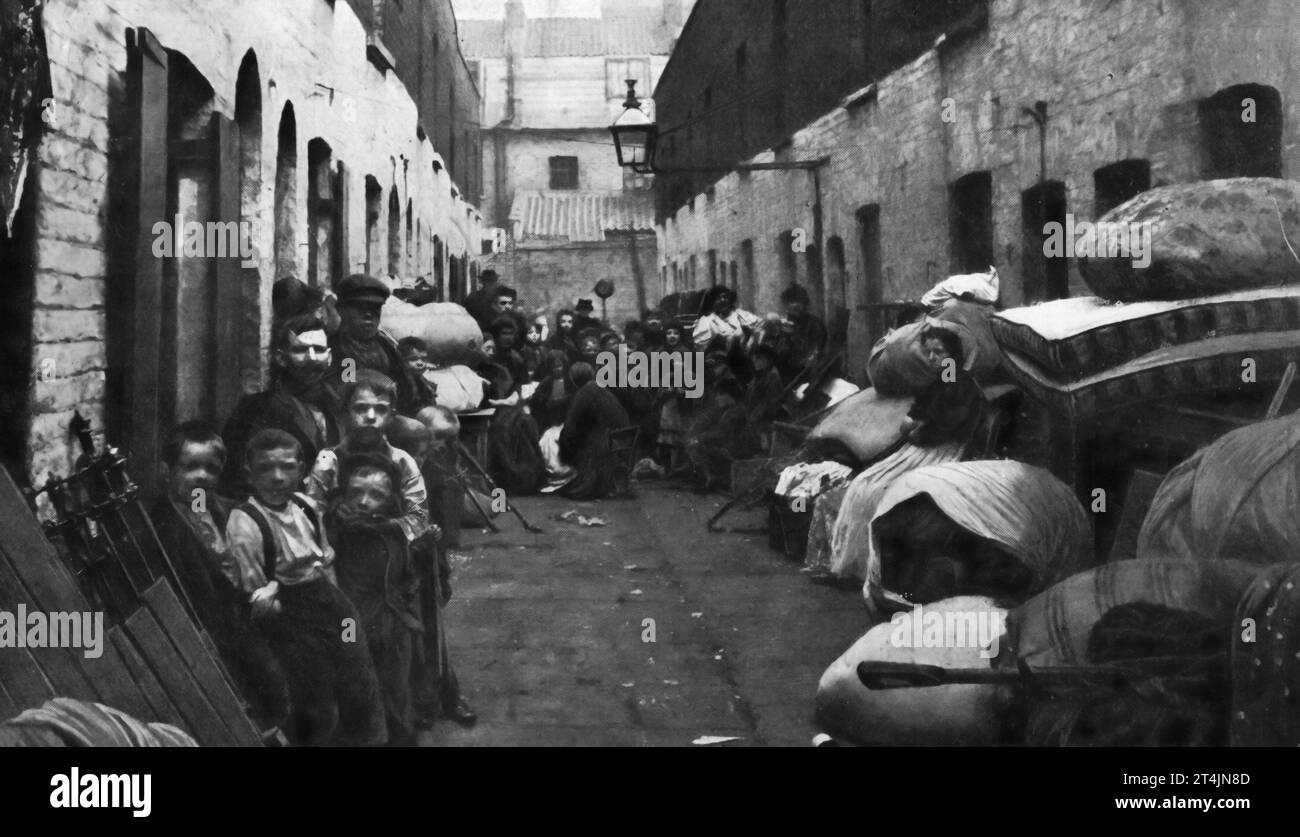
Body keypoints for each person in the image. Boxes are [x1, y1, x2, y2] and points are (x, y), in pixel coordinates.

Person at [224, 428, 386, 746]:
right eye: (266, 468)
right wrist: (290, 623)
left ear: (300, 470)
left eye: (287, 467)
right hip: (287, 610)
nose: (277, 477)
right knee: (316, 693)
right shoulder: (245, 522)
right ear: (249, 473)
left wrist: (342, 610)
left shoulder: (306, 506)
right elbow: (256, 596)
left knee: (357, 671)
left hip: (328, 600)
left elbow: (324, 561)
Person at [151, 422, 288, 731]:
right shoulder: (162, 527)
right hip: (209, 628)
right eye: (190, 467)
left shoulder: (227, 511)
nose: (202, 476)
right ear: (167, 470)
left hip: (248, 614)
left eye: (211, 469)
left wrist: (271, 587)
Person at [325, 453, 426, 746]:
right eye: (356, 493)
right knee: (358, 686)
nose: (364, 501)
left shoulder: (393, 530)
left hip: (391, 621)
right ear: (343, 494)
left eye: (376, 495)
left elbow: (407, 575)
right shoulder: (337, 530)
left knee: (396, 685)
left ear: (389, 499)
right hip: (352, 621)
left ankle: (401, 736)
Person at [395, 410, 477, 726]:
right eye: (433, 443)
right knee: (407, 637)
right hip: (402, 564)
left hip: (429, 561)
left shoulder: (436, 466)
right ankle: (420, 701)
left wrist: (441, 564)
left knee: (433, 630)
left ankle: (446, 694)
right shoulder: (401, 469)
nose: (438, 449)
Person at [222, 315, 340, 500]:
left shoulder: (339, 405)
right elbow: (239, 480)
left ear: (329, 357)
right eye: (300, 350)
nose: (311, 358)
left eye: (318, 349)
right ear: (281, 358)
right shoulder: (256, 408)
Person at [306, 370, 431, 546]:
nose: (371, 417)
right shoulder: (329, 461)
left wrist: (380, 525)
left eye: (381, 409)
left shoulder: (402, 461)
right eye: (360, 408)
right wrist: (334, 515)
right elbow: (312, 514)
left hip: (389, 553)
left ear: (391, 415)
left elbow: (419, 517)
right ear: (344, 413)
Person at [327, 274, 435, 417]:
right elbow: (343, 394)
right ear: (342, 309)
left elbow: (406, 388)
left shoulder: (385, 345)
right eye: (360, 307)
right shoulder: (336, 347)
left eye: (375, 308)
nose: (369, 314)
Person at [899, 326, 986, 448]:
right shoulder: (941, 375)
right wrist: (913, 416)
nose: (931, 357)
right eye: (928, 352)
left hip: (952, 440)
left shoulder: (957, 380)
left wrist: (919, 431)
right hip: (934, 429)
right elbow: (923, 402)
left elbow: (948, 421)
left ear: (952, 355)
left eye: (938, 352)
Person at [556, 362, 632, 500]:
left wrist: (565, 443)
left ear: (574, 379)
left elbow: (571, 426)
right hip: (620, 437)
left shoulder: (585, 393)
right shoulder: (601, 389)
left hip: (604, 443)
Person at [684, 377, 760, 494]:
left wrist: (699, 438)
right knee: (696, 443)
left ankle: (711, 477)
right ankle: (711, 477)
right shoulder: (731, 410)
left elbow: (721, 433)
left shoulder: (736, 412)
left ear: (729, 396)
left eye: (720, 394)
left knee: (695, 446)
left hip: (736, 450)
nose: (717, 398)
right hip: (731, 447)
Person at [776, 284, 828, 381]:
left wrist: (792, 337)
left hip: (808, 376)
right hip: (785, 377)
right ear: (786, 305)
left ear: (805, 303)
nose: (795, 305)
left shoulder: (815, 324)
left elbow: (815, 354)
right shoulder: (782, 325)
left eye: (798, 301)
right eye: (791, 302)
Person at [692, 285, 761, 353]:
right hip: (716, 360)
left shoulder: (741, 315)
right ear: (713, 302)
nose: (723, 300)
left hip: (742, 358)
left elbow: (760, 327)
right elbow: (698, 349)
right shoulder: (706, 320)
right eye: (718, 298)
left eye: (725, 297)